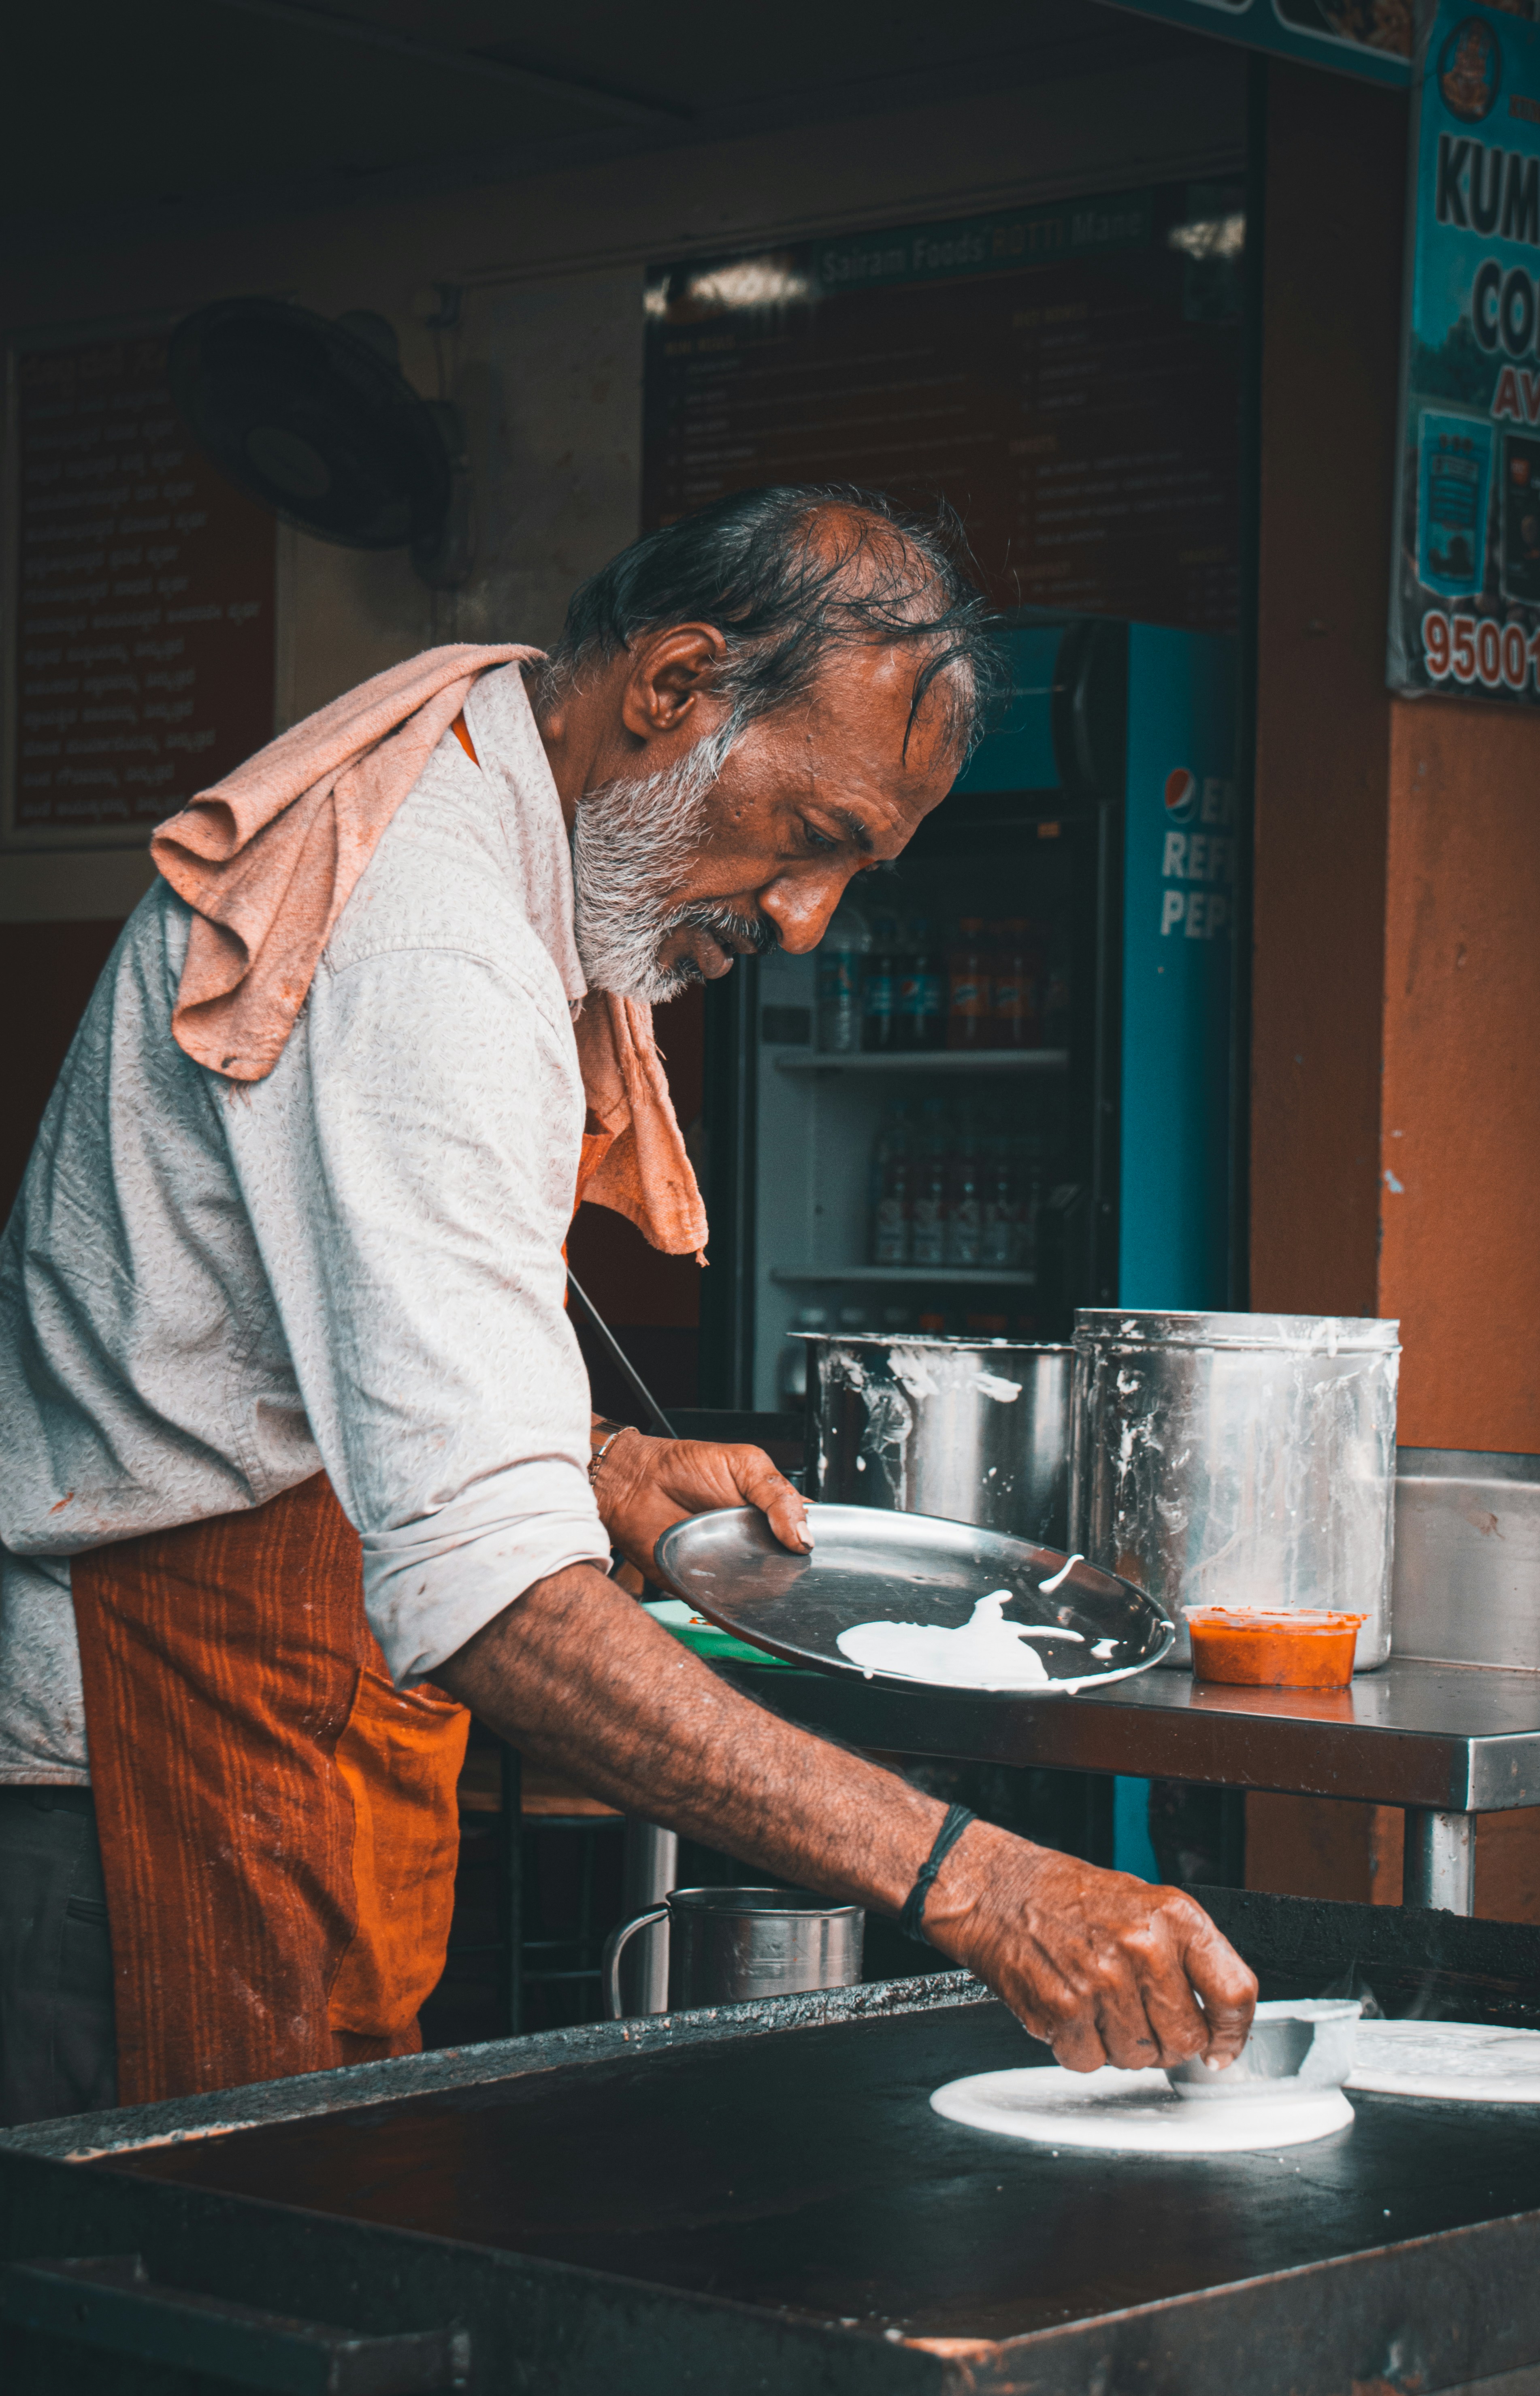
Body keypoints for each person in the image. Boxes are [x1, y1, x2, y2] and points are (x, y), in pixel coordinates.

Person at [0, 484, 1256, 2125]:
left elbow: (285, 1330)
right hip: (132, 1788)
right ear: (671, 688)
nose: (806, 924)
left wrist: (594, 1464)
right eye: (814, 843)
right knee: (175, 2314)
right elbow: (494, 1603)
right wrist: (981, 1882)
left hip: (279, 1718)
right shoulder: (428, 949)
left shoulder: (486, 773)